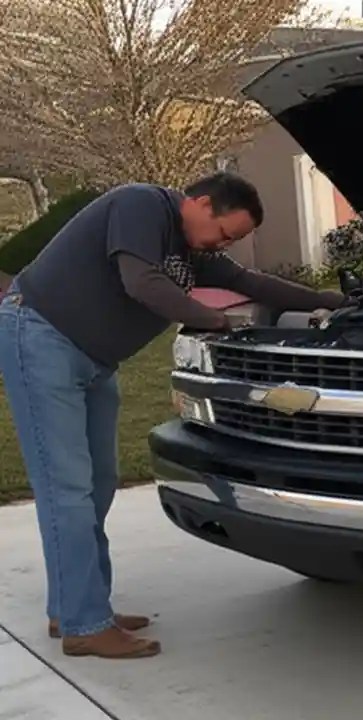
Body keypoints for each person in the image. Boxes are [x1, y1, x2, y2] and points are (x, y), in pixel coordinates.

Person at [0, 173, 345, 659]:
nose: (226, 245)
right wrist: (218, 320)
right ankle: (85, 624)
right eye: (226, 233)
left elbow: (250, 282)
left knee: (99, 481)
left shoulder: (192, 249)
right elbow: (140, 282)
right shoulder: (140, 205)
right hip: (40, 338)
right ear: (201, 204)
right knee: (67, 488)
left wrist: (332, 302)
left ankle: (75, 605)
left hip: (94, 360)